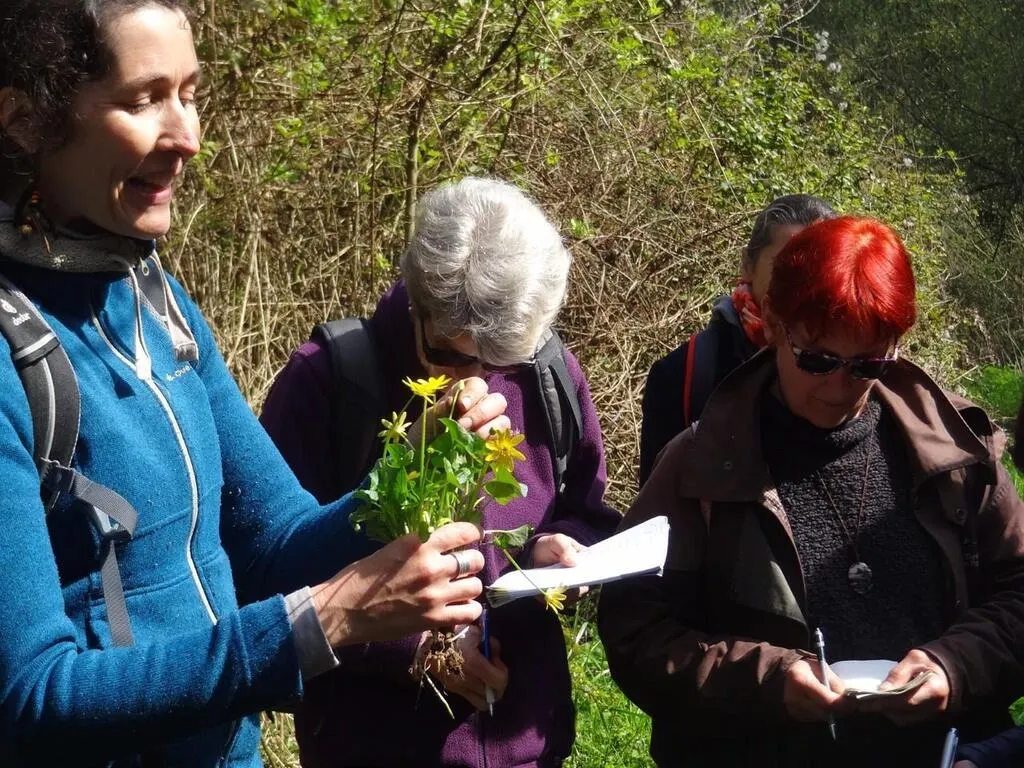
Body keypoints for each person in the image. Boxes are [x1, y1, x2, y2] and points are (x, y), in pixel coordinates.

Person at [0, 3, 509, 765]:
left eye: (191, 93)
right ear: (25, 120)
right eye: (145, 100)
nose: (188, 138)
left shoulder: (154, 299)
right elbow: (34, 696)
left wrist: (415, 463)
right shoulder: (15, 354)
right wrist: (323, 621)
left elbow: (275, 543)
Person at [598, 215, 1024, 767]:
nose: (838, 385)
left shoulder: (958, 451)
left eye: (869, 362)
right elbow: (637, 632)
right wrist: (769, 681)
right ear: (773, 323)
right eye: (818, 359)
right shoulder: (699, 466)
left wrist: (956, 664)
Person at [260, 177, 620, 767]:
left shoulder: (550, 373)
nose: (473, 375)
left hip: (527, 745)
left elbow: (587, 507)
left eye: (500, 359)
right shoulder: (329, 382)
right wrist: (420, 650)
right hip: (374, 747)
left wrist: (565, 548)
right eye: (450, 354)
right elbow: (272, 574)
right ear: (416, 301)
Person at [638, 194, 836, 486]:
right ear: (747, 265)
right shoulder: (683, 375)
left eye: (820, 269)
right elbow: (657, 514)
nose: (804, 285)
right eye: (787, 266)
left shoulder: (858, 367)